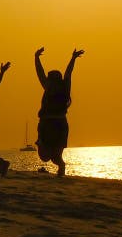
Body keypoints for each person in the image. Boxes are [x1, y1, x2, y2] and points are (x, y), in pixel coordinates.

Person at [34, 47, 84, 177]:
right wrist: (36, 58)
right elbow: (42, 73)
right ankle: (61, 166)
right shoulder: (55, 86)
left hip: (56, 124)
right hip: (52, 124)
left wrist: (73, 59)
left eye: (49, 79)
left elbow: (68, 72)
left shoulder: (61, 87)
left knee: (52, 156)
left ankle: (61, 168)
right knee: (48, 157)